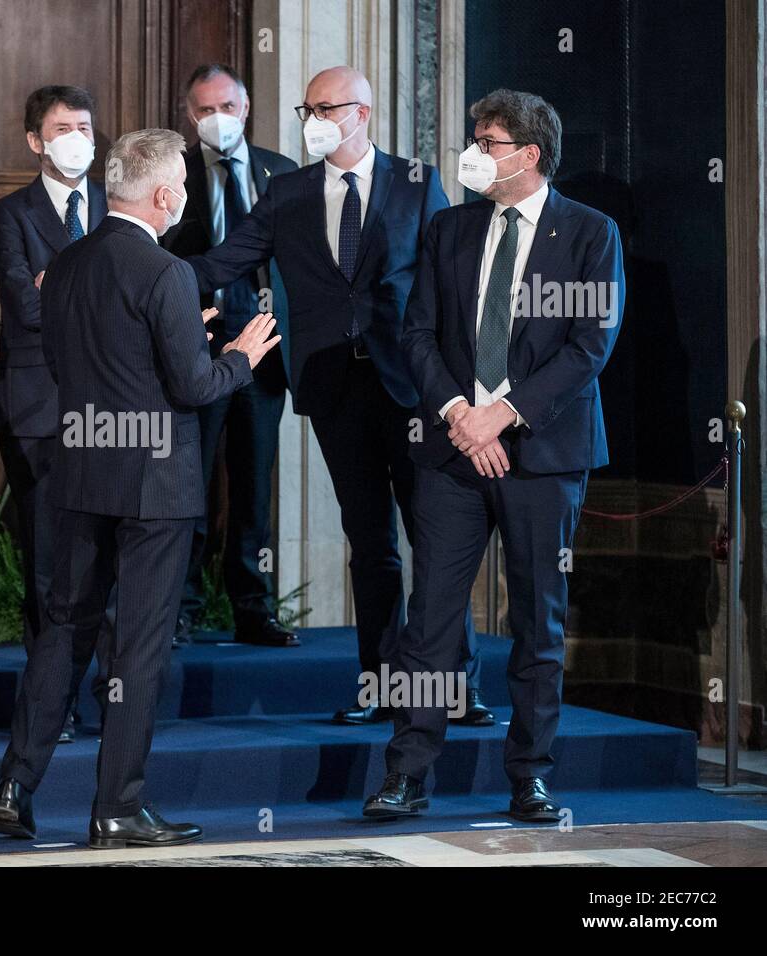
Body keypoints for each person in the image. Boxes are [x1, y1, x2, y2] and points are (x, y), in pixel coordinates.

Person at [0, 129, 281, 849]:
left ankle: (15, 785)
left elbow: (70, 362)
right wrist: (239, 358)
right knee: (140, 649)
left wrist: (177, 339)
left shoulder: (65, 263)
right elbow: (194, 386)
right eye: (180, 185)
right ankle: (117, 807)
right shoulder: (167, 272)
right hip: (155, 484)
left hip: (82, 471)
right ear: (164, 195)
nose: (184, 196)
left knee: (65, 628)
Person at [183, 66, 489, 726]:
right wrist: (132, 272)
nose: (314, 121)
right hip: (334, 389)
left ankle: (454, 685)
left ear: (363, 113)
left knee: (436, 537)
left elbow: (452, 282)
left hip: (413, 387)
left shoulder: (417, 182)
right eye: (308, 109)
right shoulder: (287, 192)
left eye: (327, 109)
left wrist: (463, 386)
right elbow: (223, 261)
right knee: (370, 542)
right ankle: (381, 684)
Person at [363, 89, 624, 821]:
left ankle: (529, 775)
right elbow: (417, 333)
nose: (473, 154)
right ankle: (407, 774)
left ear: (529, 154)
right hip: (453, 455)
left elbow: (589, 346)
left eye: (488, 143)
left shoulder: (590, 232)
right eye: (474, 140)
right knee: (429, 621)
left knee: (537, 622)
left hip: (542, 455)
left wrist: (501, 417)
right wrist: (459, 415)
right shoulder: (450, 227)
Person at [0, 86, 110, 743]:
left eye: (84, 127)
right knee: (48, 562)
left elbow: (139, 296)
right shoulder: (10, 214)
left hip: (114, 408)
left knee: (107, 557)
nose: (76, 139)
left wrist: (55, 280)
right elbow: (26, 307)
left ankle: (112, 695)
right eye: (62, 128)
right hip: (38, 408)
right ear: (36, 141)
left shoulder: (116, 205)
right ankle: (49, 706)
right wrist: (93, 293)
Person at [163, 63, 298, 648]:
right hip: (198, 347)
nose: (218, 118)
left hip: (264, 348)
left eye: (227, 107)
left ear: (245, 109)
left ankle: (253, 609)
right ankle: (180, 608)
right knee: (188, 485)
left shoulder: (281, 172)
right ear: (189, 115)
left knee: (253, 489)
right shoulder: (173, 173)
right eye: (205, 109)